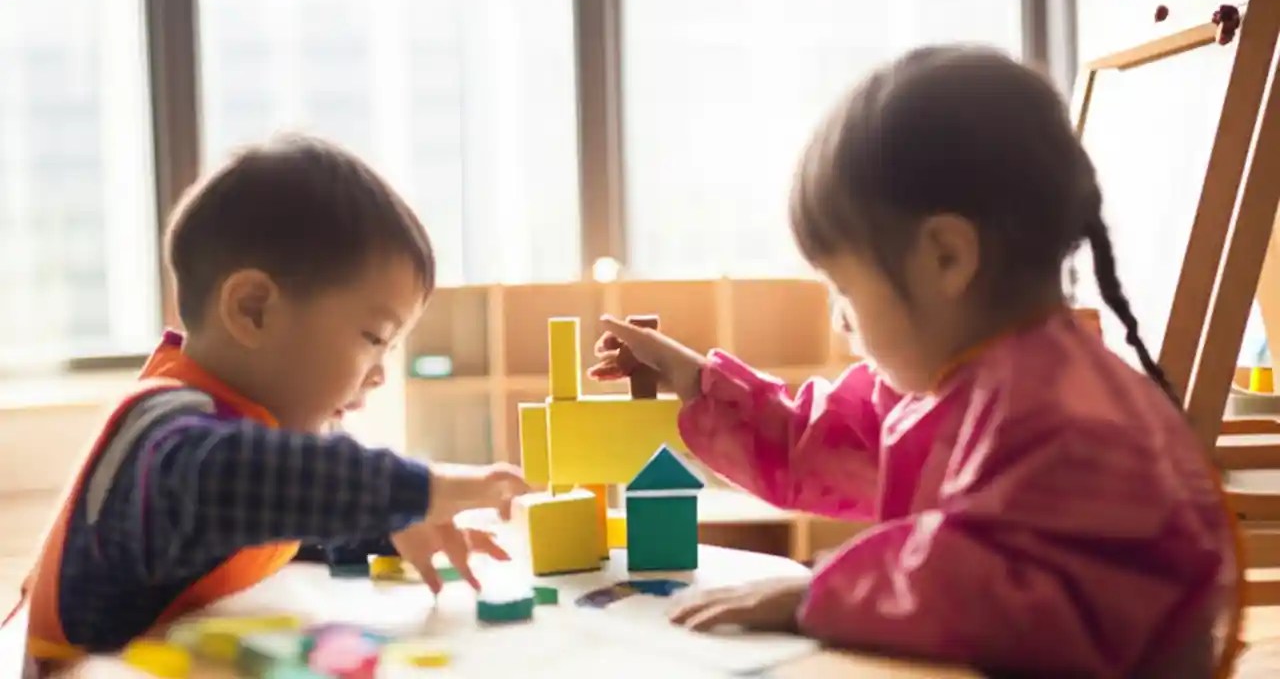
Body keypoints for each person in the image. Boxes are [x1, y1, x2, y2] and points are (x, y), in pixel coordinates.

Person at [589, 47, 1240, 677]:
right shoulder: (951, 385)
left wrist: (815, 596)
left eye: (843, 290)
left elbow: (980, 592)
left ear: (945, 259)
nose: (838, 318)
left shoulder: (1064, 421)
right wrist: (694, 381)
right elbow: (820, 441)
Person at [9, 135, 529, 662]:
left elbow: (277, 526)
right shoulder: (166, 436)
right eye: (373, 339)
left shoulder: (233, 432)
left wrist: (386, 528)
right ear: (253, 310)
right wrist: (418, 488)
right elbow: (241, 483)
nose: (379, 375)